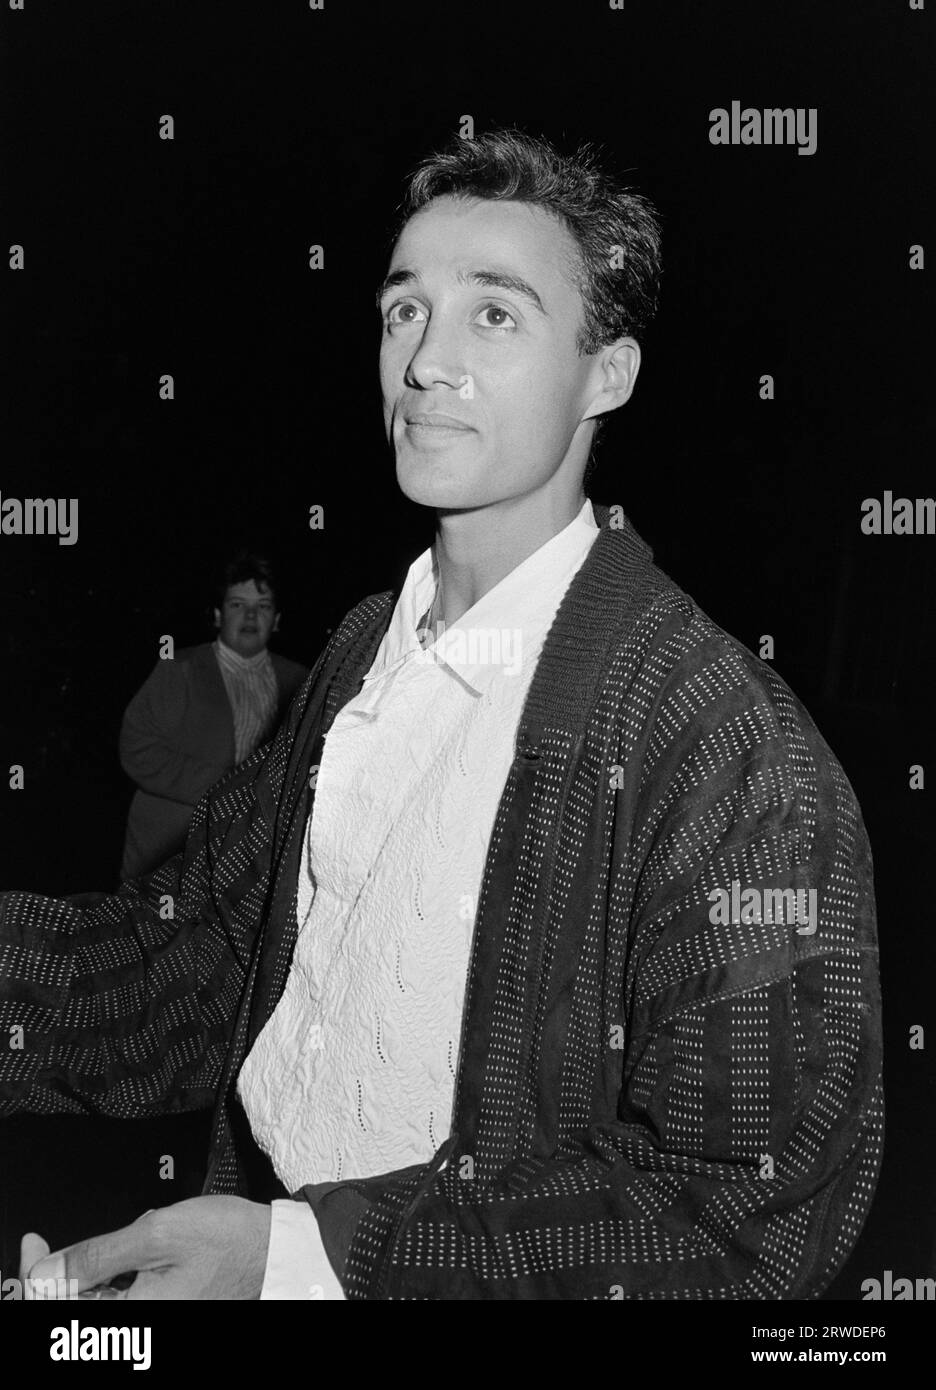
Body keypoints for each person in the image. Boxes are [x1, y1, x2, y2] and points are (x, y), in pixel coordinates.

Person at [2, 128, 882, 1301]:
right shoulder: (365, 647)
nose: (426, 362)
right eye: (404, 310)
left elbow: (740, 1218)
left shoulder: (723, 743)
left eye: (496, 315)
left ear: (606, 374)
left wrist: (309, 1260)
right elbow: (199, 960)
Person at [118, 553, 309, 878]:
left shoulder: (301, 681)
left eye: (262, 606)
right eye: (237, 604)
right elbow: (137, 750)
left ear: (276, 620)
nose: (250, 615)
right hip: (167, 852)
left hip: (252, 858)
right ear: (218, 615)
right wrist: (226, 785)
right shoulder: (179, 670)